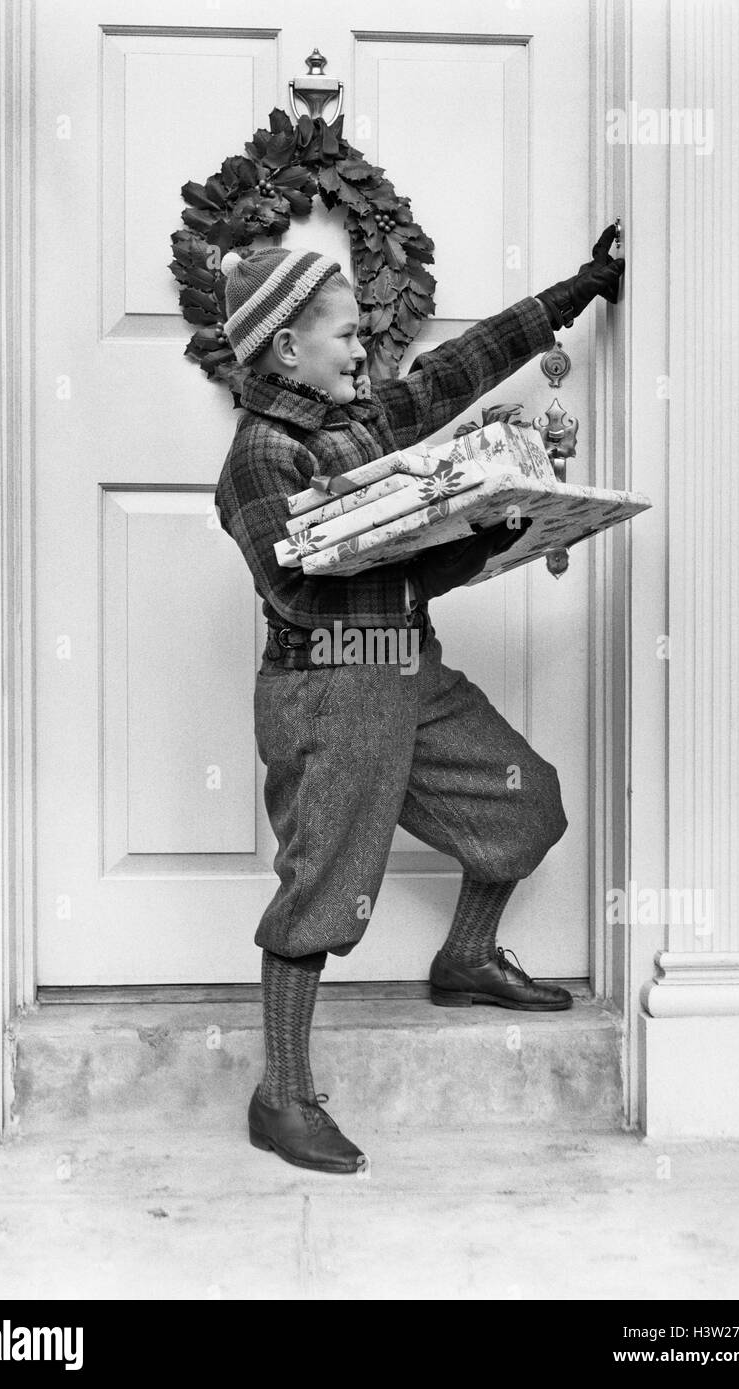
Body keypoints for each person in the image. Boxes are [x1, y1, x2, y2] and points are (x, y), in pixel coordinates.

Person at [214, 227, 625, 1173]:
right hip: (328, 684)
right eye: (348, 336)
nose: (366, 350)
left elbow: (452, 375)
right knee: (322, 885)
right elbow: (305, 594)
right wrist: (469, 547)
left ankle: (467, 959)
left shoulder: (358, 420)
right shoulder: (260, 458)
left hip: (408, 670)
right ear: (287, 347)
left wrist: (576, 289)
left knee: (529, 802)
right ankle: (281, 1095)